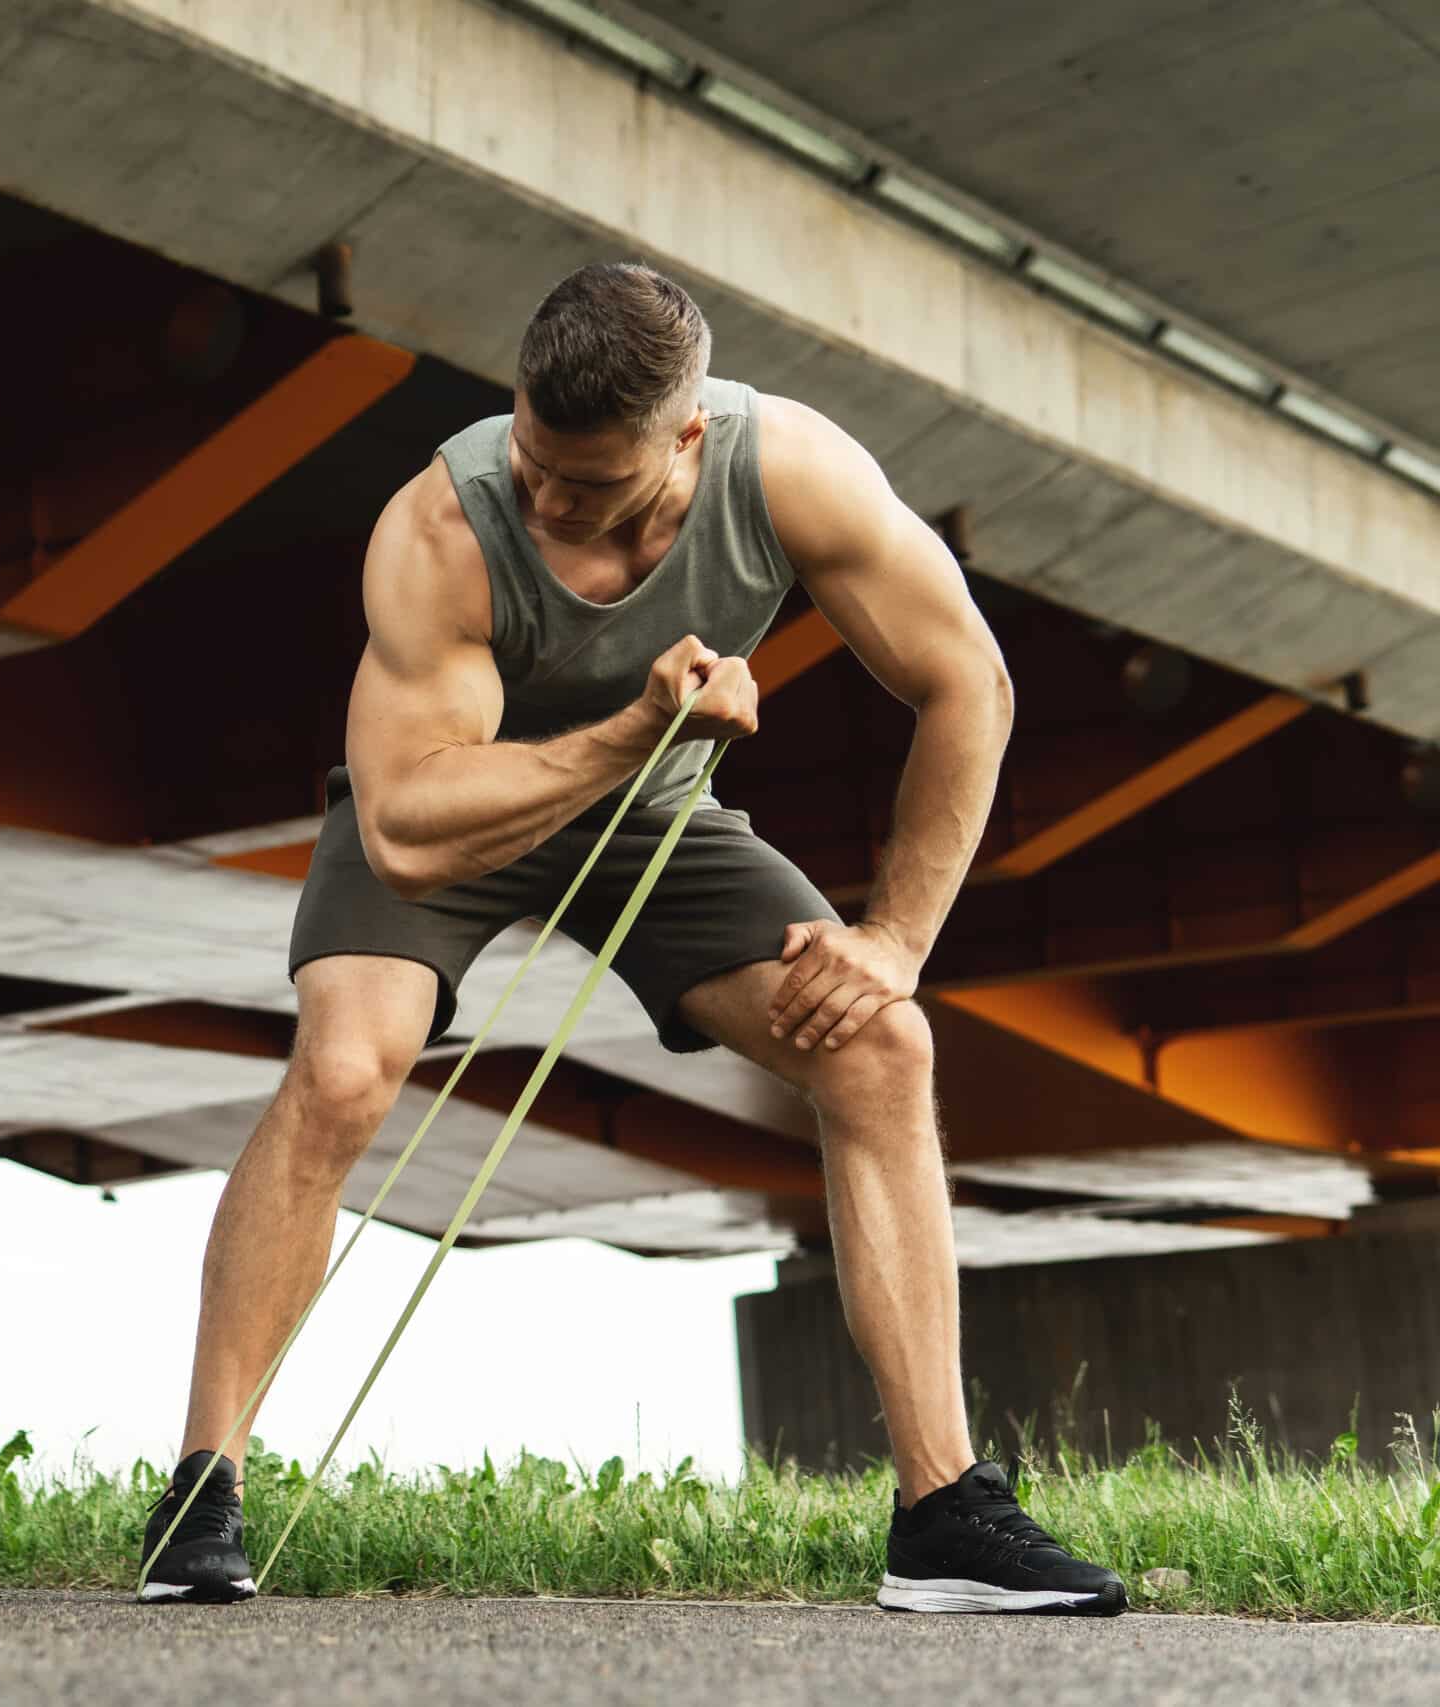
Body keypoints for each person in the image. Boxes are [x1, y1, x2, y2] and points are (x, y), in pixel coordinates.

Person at [136, 262, 1124, 1617]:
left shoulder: (794, 475)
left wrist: (894, 938)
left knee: (884, 1046)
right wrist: (622, 733)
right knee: (348, 1070)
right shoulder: (443, 524)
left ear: (689, 438)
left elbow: (973, 682)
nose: (549, 502)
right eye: (537, 464)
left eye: (587, 487)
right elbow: (414, 832)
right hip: (460, 808)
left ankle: (942, 1515)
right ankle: (202, 1489)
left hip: (657, 825)